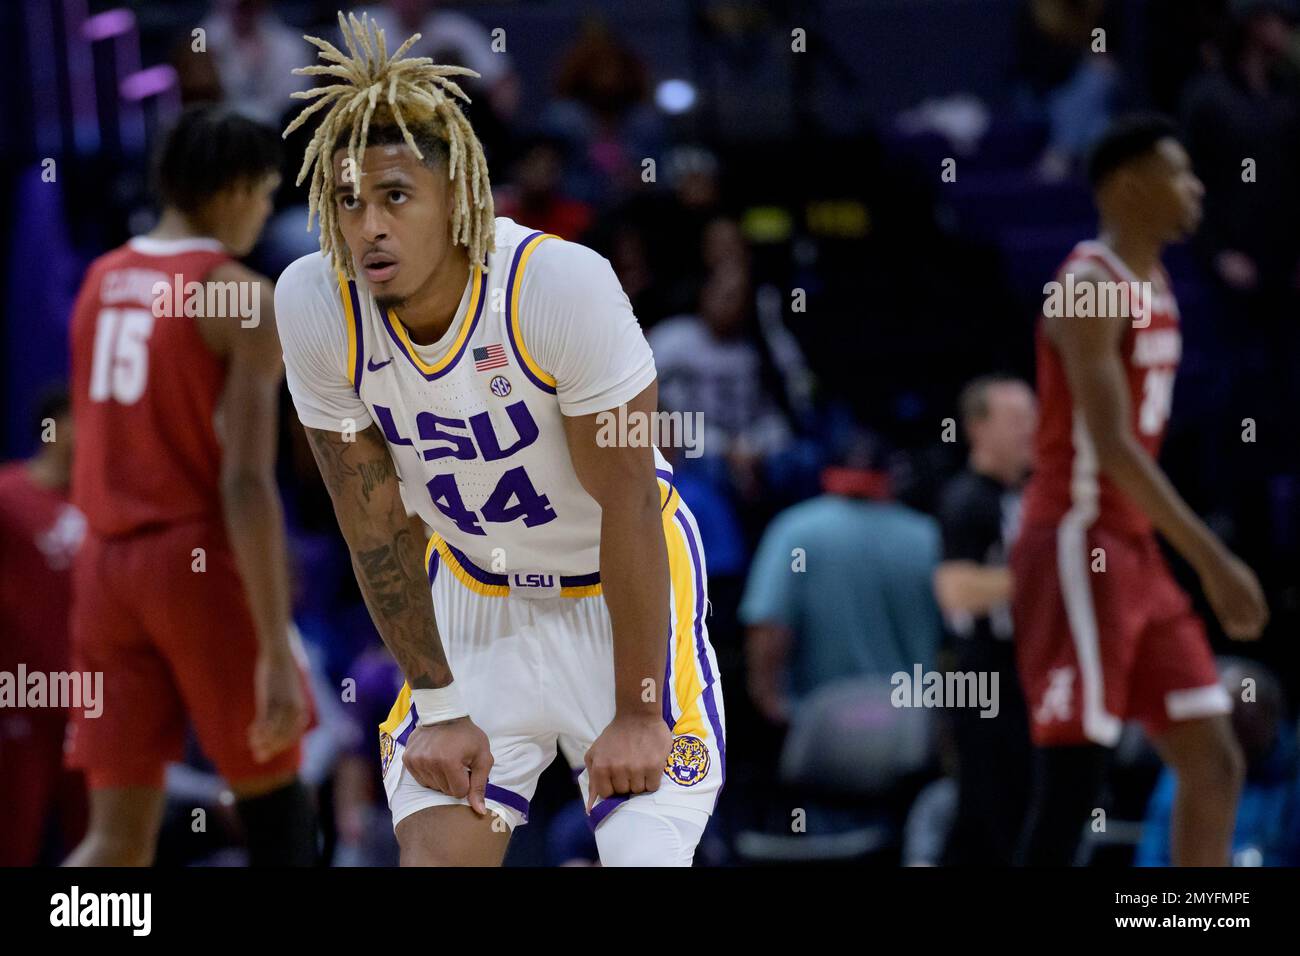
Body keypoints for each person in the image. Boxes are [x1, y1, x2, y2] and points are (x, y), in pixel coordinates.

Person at [275, 13, 724, 867]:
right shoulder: (313, 302)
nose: (366, 224)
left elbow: (629, 502)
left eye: (395, 196)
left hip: (617, 594)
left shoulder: (560, 285)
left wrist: (636, 712)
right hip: (475, 598)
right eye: (345, 199)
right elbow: (370, 524)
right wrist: (440, 703)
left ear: (458, 197)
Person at [1011, 113, 1269, 867]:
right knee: (1072, 781)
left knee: (1214, 761)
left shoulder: (1154, 279)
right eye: (1178, 173)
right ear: (1128, 186)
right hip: (1076, 538)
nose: (1195, 189)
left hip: (1132, 547)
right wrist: (1213, 560)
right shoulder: (1089, 286)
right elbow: (1114, 448)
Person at [63, 106, 315, 866]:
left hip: (102, 567)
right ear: (234, 188)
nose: (266, 209)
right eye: (266, 192)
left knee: (114, 842)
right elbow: (244, 482)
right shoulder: (238, 295)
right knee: (279, 819)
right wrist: (275, 645)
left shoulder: (101, 278)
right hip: (193, 561)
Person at [739, 433, 942, 725]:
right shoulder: (926, 536)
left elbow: (768, 625)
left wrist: (771, 702)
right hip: (910, 719)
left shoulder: (796, 531)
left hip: (825, 721)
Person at [933, 375, 1037, 865]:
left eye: (1033, 417)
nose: (1030, 429)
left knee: (1030, 811)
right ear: (977, 428)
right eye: (1016, 419)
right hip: (986, 679)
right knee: (986, 815)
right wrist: (1042, 578)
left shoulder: (1035, 497)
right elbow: (955, 590)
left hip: (1034, 674)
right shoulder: (966, 498)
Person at [0, 389, 87, 865]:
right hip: (20, 700)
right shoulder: (8, 496)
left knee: (97, 842)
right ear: (55, 427)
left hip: (87, 704)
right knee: (14, 843)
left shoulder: (103, 504)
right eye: (84, 418)